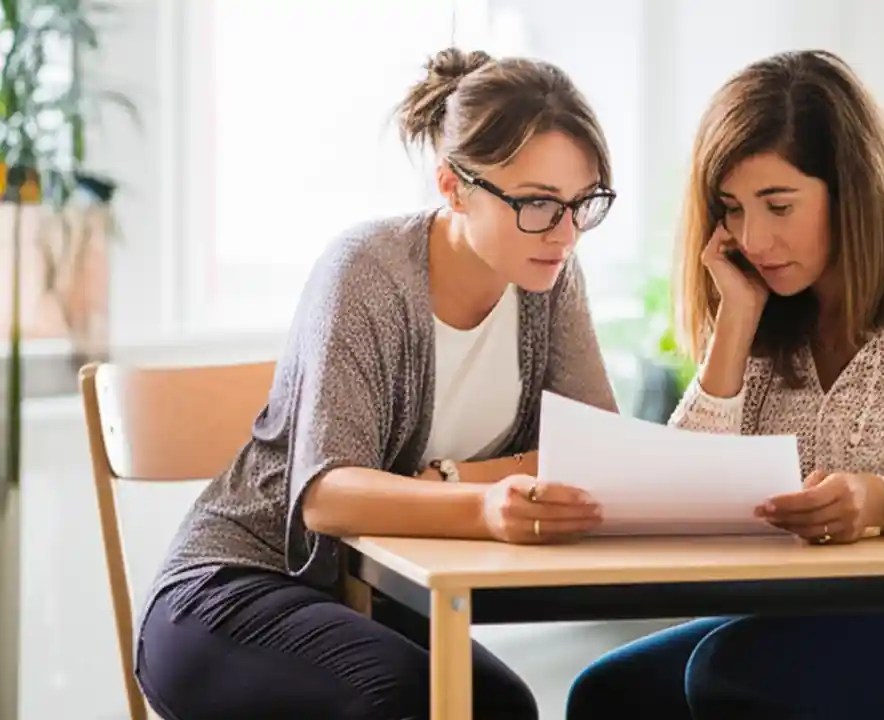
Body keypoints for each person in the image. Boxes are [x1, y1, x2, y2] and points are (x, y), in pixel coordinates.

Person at [567, 49, 884, 720]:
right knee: (609, 697)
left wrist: (882, 505)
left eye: (778, 205)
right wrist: (736, 324)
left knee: (730, 676)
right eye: (733, 209)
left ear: (853, 186)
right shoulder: (769, 301)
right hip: (820, 611)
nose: (754, 238)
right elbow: (684, 493)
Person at [135, 47, 620, 720]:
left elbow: (596, 456)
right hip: (232, 592)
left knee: (501, 708)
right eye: (537, 204)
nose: (565, 233)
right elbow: (328, 498)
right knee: (404, 699)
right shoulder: (367, 271)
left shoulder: (550, 278)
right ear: (453, 185)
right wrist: (484, 503)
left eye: (581, 204)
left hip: (364, 600)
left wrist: (449, 478)